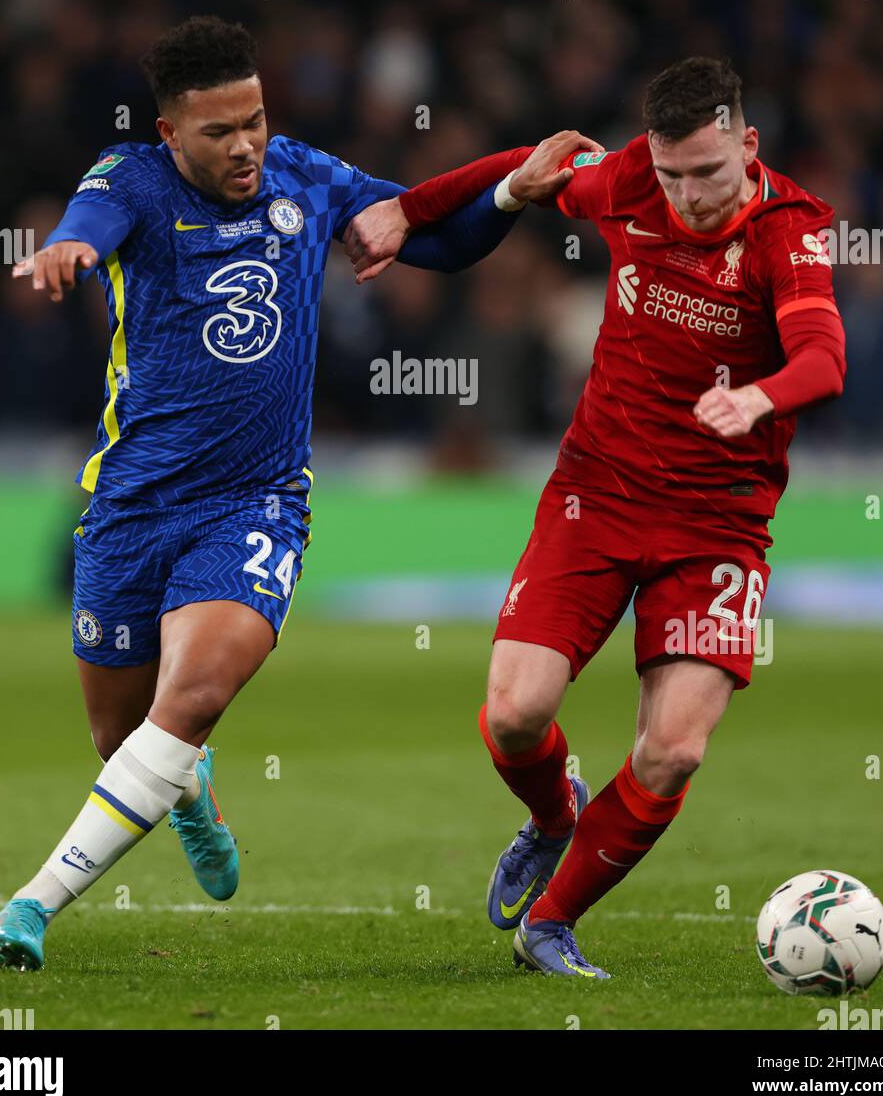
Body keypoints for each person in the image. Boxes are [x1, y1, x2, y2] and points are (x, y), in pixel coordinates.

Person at [0, 14, 597, 971]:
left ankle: (30, 906)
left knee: (190, 696)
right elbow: (87, 226)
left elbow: (435, 240)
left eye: (254, 120)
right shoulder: (127, 179)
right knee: (124, 737)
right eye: (219, 132)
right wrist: (70, 251)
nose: (245, 146)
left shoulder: (307, 177)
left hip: (254, 501)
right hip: (130, 506)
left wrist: (512, 187)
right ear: (169, 135)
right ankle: (188, 786)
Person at [349, 56, 846, 978]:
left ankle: (551, 923)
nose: (689, 196)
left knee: (672, 750)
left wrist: (759, 400)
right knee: (513, 716)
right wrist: (409, 210)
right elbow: (528, 166)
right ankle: (552, 814)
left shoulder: (791, 231)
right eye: (670, 175)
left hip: (716, 520)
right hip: (595, 492)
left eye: (707, 172)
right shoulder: (623, 182)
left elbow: (823, 357)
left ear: (747, 144)